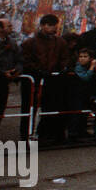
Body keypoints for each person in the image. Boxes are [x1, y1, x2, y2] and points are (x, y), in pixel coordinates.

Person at [21, 14, 72, 145]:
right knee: (29, 108)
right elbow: (25, 60)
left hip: (52, 80)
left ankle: (47, 134)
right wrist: (38, 70)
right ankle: (26, 135)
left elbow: (65, 58)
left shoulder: (60, 42)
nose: (55, 28)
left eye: (56, 26)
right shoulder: (30, 43)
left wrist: (62, 69)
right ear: (44, 26)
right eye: (52, 26)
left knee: (51, 107)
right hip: (35, 80)